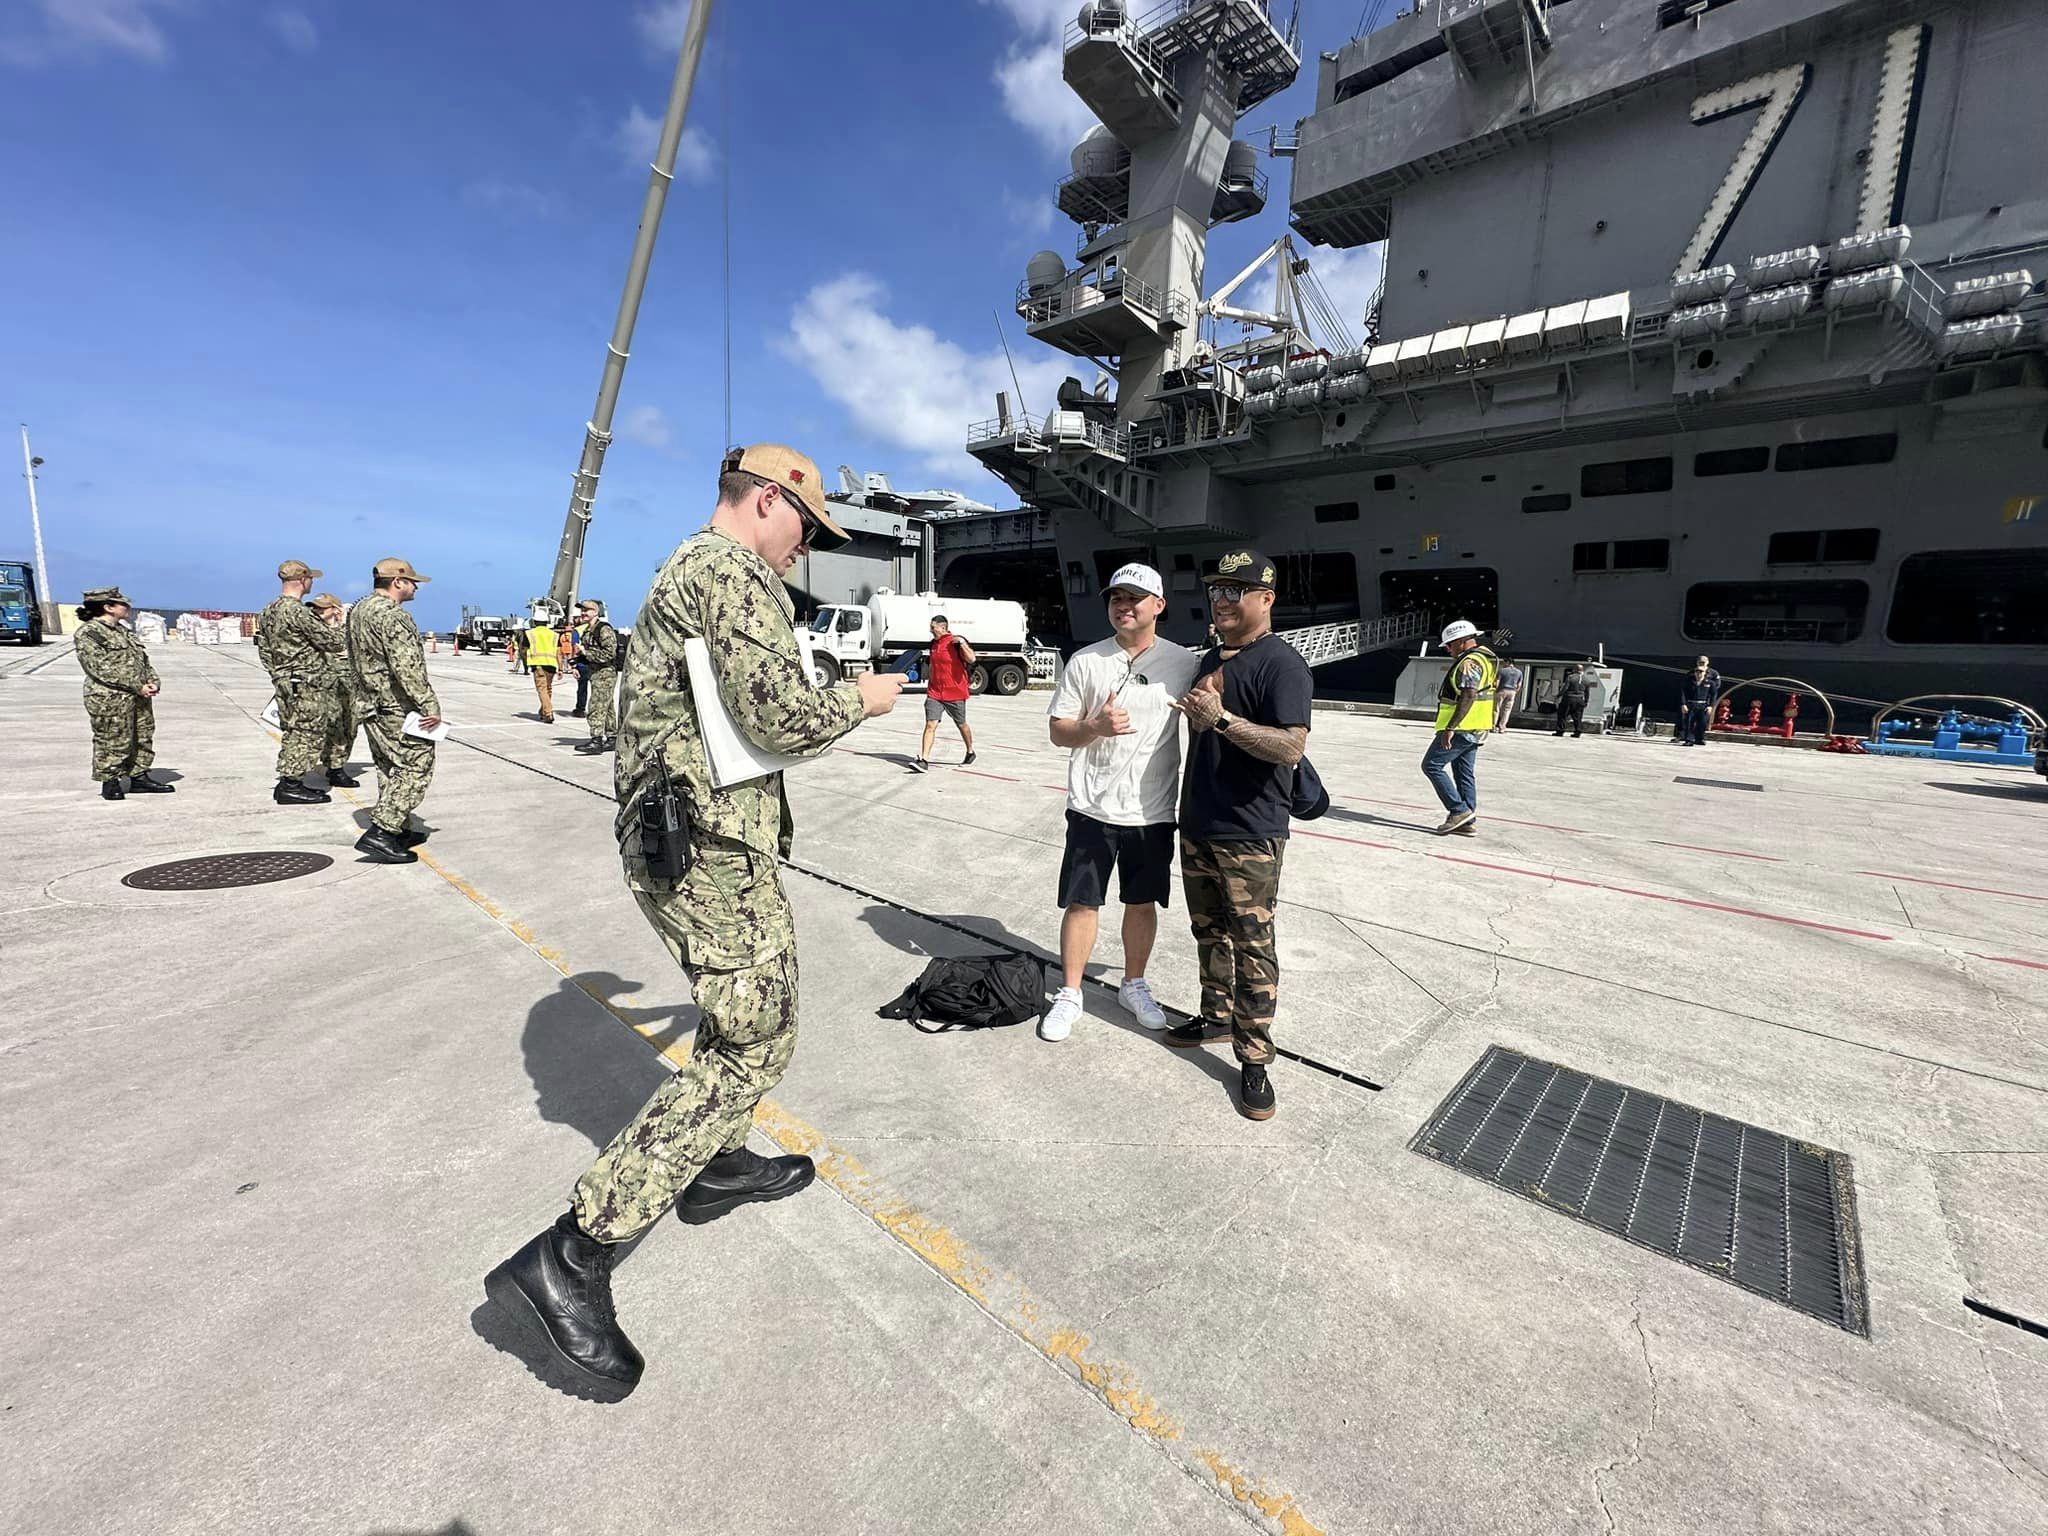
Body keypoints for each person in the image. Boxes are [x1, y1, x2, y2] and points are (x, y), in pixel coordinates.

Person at [485, 444, 906, 1402]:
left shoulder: (687, 566)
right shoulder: (736, 572)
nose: (807, 548)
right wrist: (867, 697)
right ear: (768, 502)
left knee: (735, 1018)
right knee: (753, 1044)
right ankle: (574, 1252)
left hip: (692, 836)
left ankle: (713, 1169)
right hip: (708, 845)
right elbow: (780, 717)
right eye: (806, 526)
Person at [1164, 549, 1312, 1123]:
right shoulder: (1208, 658)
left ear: (1266, 598)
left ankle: (1254, 1058)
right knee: (1208, 933)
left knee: (1252, 944)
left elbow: (1290, 747)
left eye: (1237, 590)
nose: (1222, 599)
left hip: (1251, 831)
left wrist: (1221, 720)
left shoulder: (1282, 664)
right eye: (1217, 590)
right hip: (1199, 820)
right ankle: (1216, 1017)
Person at [1040, 563, 1201, 1044]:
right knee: (1082, 901)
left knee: (1142, 901)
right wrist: (1095, 727)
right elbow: (1057, 731)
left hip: (1151, 811)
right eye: (1116, 598)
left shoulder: (1185, 665)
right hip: (1092, 807)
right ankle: (1070, 992)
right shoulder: (1085, 662)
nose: (1123, 606)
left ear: (1159, 605)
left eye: (1135, 598)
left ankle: (1134, 983)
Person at [346, 558, 441, 864]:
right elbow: (407, 667)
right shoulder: (394, 616)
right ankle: (382, 832)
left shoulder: (359, 609)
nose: (416, 587)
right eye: (413, 582)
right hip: (395, 706)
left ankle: (398, 827)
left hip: (369, 703)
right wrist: (429, 704)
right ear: (397, 582)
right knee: (416, 765)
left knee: (390, 767)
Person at [255, 559, 347, 805]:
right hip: (305, 681)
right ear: (303, 580)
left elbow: (263, 648)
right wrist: (340, 624)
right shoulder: (297, 611)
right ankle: (291, 784)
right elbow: (332, 642)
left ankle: (290, 782)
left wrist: (278, 673)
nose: (312, 583)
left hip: (286, 680)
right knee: (307, 732)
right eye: (310, 579)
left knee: (293, 731)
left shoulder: (269, 610)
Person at [74, 585, 172, 800]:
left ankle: (138, 776)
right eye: (122, 604)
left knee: (142, 736)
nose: (127, 607)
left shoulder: (123, 631)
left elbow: (142, 661)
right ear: (108, 607)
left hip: (138, 696)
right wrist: (138, 685)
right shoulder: (89, 633)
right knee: (112, 739)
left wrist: (153, 680)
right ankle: (110, 781)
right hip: (109, 698)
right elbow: (99, 668)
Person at [1420, 619, 1499, 836]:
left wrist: (1450, 728)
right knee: (1464, 772)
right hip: (1477, 726)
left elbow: (1469, 694)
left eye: (1450, 644)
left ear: (1463, 641)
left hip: (1463, 727)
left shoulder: (1469, 663)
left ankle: (1458, 810)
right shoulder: (1486, 658)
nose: (1447, 649)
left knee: (1432, 765)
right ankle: (1467, 819)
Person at [307, 593, 361, 786]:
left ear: (335, 610)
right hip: (324, 683)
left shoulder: (350, 628)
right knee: (332, 724)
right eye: (315, 608)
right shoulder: (314, 628)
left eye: (322, 608)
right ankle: (333, 767)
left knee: (349, 725)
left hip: (348, 683)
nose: (317, 612)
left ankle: (337, 764)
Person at [909, 615, 976, 772]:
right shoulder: (934, 644)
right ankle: (924, 760)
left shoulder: (955, 642)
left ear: (943, 628)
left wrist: (963, 643)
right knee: (930, 724)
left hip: (955, 692)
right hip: (935, 692)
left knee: (961, 724)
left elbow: (972, 659)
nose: (931, 630)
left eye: (933, 627)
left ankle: (970, 751)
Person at [572, 600, 623, 755]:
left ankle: (596, 741)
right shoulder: (589, 630)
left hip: (605, 674)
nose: (583, 613)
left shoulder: (604, 630)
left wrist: (585, 652)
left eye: (586, 610)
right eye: (582, 610)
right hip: (596, 672)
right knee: (607, 708)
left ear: (595, 612)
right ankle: (612, 738)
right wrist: (578, 660)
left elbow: (609, 654)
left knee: (596, 707)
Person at [1678, 655, 1721, 746]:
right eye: (1697, 671)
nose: (1698, 673)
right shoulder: (1689, 680)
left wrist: (1711, 706)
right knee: (1689, 722)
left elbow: (1714, 694)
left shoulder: (1711, 681)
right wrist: (1683, 704)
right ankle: (1689, 739)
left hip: (1703, 704)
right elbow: (1683, 692)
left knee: (1702, 723)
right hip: (1691, 703)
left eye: (1701, 671)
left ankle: (1699, 739)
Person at [525, 614, 560, 723]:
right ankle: (543, 711)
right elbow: (559, 652)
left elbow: (524, 649)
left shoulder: (530, 633)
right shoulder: (554, 635)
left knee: (542, 690)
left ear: (535, 621)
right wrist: (561, 668)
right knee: (547, 689)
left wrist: (526, 665)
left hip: (538, 665)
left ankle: (548, 713)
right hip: (551, 665)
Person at [1553, 662, 1593, 739]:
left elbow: (1565, 688)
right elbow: (1587, 693)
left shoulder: (1570, 677)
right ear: (1582, 670)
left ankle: (1560, 731)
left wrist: (1558, 695)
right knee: (1577, 717)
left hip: (1568, 699)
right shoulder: (1587, 680)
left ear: (1575, 669)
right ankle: (1577, 732)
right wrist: (1586, 702)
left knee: (1562, 715)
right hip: (1579, 699)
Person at [1492, 656, 1523, 733]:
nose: (1503, 664)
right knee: (1507, 710)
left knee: (1496, 709)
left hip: (1502, 690)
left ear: (1508, 662)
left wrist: (1495, 690)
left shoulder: (1502, 671)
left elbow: (1497, 682)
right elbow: (1519, 685)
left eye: (1504, 662)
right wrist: (1515, 692)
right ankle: (1502, 727)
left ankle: (1493, 726)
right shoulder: (1519, 672)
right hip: (1512, 692)